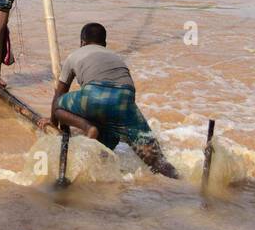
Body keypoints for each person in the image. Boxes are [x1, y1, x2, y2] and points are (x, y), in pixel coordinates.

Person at [49, 22, 179, 178]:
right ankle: (185, 184)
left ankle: (89, 128)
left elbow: (59, 95)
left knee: (58, 105)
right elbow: (125, 89)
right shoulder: (115, 56)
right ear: (104, 44)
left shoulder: (74, 55)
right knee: (157, 161)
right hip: (124, 99)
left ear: (82, 43)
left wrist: (52, 123)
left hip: (93, 94)